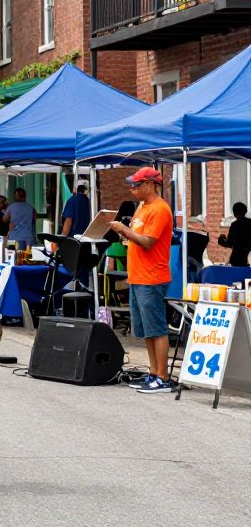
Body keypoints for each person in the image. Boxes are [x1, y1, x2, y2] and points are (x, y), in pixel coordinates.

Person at [108, 167, 176, 394]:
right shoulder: (142, 208)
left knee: (156, 328)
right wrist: (125, 234)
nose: (133, 189)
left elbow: (147, 242)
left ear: (149, 184)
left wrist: (124, 230)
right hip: (138, 276)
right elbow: (137, 240)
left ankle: (163, 378)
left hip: (152, 277)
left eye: (137, 185)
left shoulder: (159, 209)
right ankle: (154, 373)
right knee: (147, 329)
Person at [219, 202, 251, 266]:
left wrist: (221, 240)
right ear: (245, 211)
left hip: (236, 259)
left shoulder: (235, 225)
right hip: (247, 258)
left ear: (234, 213)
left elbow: (229, 244)